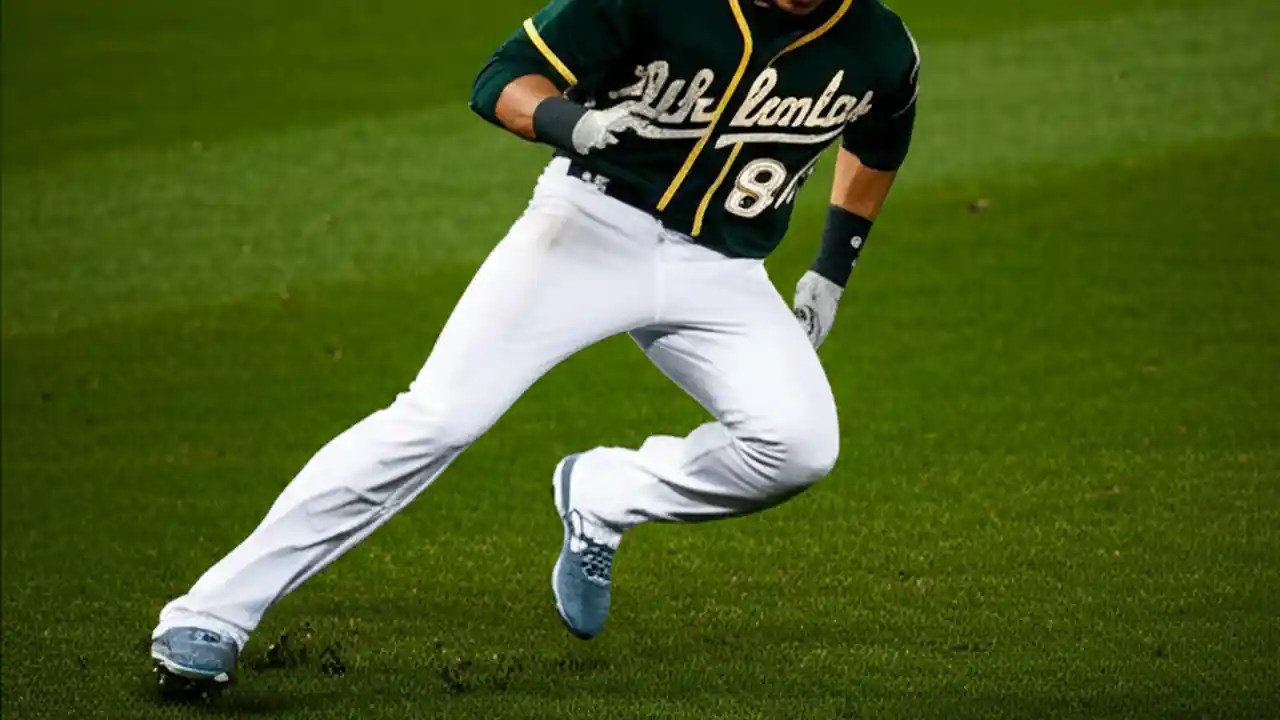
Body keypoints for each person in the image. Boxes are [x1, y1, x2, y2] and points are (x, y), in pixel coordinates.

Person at [150, 0, 919, 695]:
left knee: (798, 446)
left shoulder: (878, 43)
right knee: (439, 417)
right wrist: (565, 123)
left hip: (724, 269)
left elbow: (881, 135)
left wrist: (833, 267)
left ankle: (605, 493)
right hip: (588, 230)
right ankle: (213, 613)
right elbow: (501, 78)